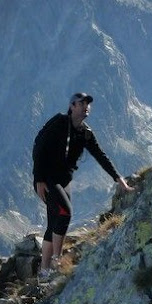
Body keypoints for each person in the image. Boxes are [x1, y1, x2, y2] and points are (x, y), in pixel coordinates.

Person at [32, 92, 133, 278]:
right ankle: (57, 260)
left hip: (64, 180)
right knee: (65, 212)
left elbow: (101, 156)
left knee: (54, 221)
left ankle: (44, 272)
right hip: (47, 179)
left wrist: (118, 178)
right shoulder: (59, 122)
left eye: (88, 104)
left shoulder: (86, 133)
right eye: (82, 103)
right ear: (72, 106)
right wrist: (39, 179)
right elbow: (39, 147)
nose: (86, 106)